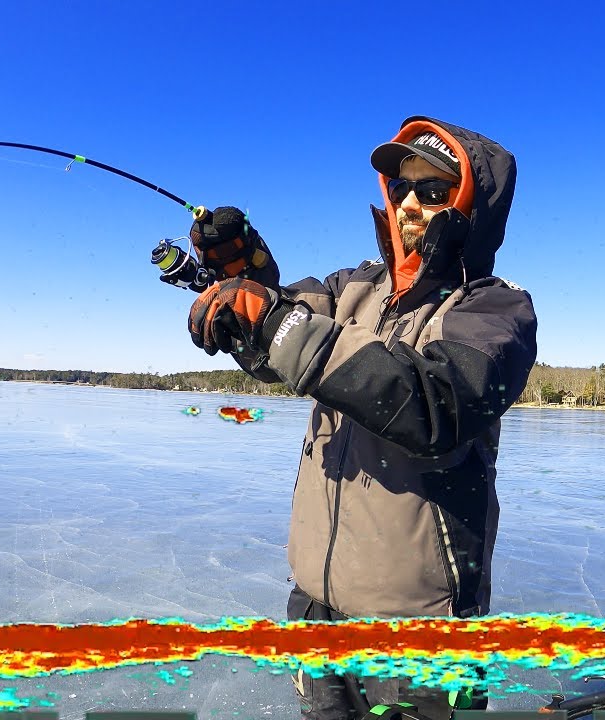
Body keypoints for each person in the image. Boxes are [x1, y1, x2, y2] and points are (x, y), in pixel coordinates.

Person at [185, 116, 538, 719]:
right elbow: (285, 330)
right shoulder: (352, 288)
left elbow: (437, 404)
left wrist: (281, 325)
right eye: (400, 188)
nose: (409, 204)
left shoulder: (494, 309)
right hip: (316, 611)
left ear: (469, 202)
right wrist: (245, 286)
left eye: (432, 190)